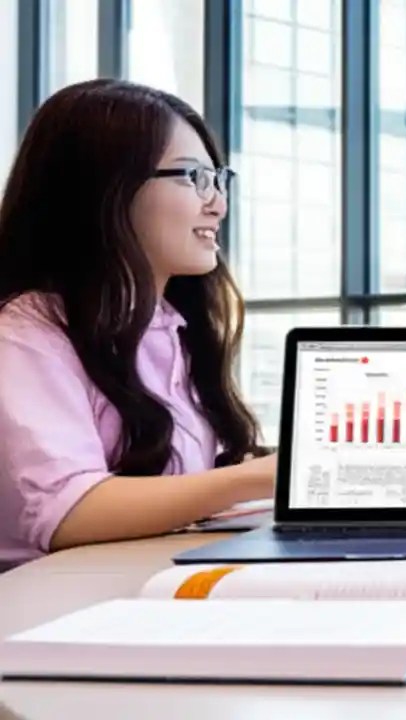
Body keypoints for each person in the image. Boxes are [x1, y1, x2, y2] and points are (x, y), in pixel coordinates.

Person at [0, 79, 275, 569]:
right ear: (105, 189)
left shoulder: (170, 329)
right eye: (193, 177)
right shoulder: (26, 332)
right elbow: (69, 511)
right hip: (49, 599)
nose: (217, 203)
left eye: (218, 179)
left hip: (139, 581)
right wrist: (259, 477)